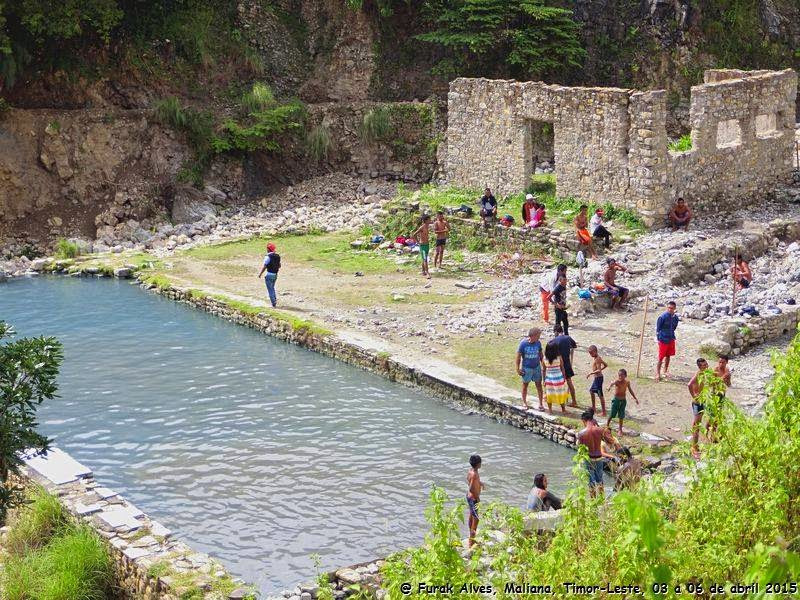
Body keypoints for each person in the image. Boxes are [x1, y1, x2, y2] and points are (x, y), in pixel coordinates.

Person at [578, 409, 620, 497]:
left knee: (591, 482)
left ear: (583, 420)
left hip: (589, 460)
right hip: (599, 459)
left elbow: (581, 450)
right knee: (600, 481)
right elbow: (611, 441)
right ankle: (601, 499)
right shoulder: (600, 430)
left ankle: (594, 502)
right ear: (592, 419)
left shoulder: (581, 433)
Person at [516, 327, 544, 410]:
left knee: (539, 385)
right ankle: (524, 402)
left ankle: (541, 404)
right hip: (526, 368)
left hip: (536, 367)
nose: (539, 337)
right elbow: (518, 357)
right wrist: (517, 368)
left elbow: (541, 355)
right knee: (525, 385)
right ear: (534, 336)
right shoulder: (523, 344)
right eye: (538, 335)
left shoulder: (538, 343)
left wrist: (543, 365)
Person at [688, 358, 711, 458]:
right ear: (700, 367)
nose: (706, 366)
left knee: (699, 423)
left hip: (703, 401)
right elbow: (689, 384)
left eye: (706, 364)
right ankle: (694, 448)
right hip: (697, 403)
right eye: (704, 366)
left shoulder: (706, 374)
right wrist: (694, 396)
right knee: (696, 426)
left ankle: (697, 445)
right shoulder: (698, 374)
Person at [606, 368, 639, 435]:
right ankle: (607, 426)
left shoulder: (627, 382)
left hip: (623, 401)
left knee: (621, 416)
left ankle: (620, 430)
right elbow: (612, 383)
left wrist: (635, 398)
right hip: (616, 400)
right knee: (612, 414)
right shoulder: (617, 381)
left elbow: (630, 390)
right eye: (619, 375)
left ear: (625, 376)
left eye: (622, 375)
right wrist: (609, 387)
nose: (620, 377)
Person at [552, 325, 578, 407]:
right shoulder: (568, 338)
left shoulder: (555, 340)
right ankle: (574, 401)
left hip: (559, 364)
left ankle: (559, 399)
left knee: (557, 382)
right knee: (569, 382)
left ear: (556, 332)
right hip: (567, 363)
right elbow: (574, 346)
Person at [655, 301, 679, 381]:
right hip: (663, 339)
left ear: (674, 309)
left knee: (668, 355)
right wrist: (659, 339)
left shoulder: (675, 318)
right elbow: (658, 329)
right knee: (661, 357)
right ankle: (658, 373)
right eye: (668, 308)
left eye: (671, 308)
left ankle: (665, 370)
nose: (669, 309)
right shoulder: (662, 317)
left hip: (671, 338)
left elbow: (674, 327)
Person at [543, 340, 569, 413]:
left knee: (549, 394)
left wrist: (544, 380)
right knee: (560, 394)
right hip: (558, 378)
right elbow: (562, 367)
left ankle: (550, 410)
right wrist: (564, 377)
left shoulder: (544, 358)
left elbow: (544, 370)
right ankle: (563, 409)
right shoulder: (559, 357)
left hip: (549, 379)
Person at [466, 454, 484, 548]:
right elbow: (471, 487)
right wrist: (477, 497)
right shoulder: (474, 474)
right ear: (478, 464)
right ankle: (471, 542)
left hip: (469, 497)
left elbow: (468, 480)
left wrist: (480, 483)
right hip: (473, 498)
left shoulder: (471, 471)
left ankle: (471, 536)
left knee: (472, 515)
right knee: (476, 519)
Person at [257, 242, 281, 308]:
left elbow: (265, 266)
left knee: (270, 289)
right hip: (275, 275)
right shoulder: (278, 256)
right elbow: (279, 265)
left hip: (269, 275)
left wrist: (260, 274)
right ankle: (275, 300)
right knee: (272, 288)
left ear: (268, 249)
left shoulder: (267, 256)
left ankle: (274, 303)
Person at [586, 345, 608, 416]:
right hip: (597, 378)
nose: (590, 355)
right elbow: (606, 365)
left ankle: (604, 412)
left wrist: (591, 373)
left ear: (595, 352)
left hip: (598, 379)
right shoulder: (597, 358)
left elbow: (598, 370)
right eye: (589, 353)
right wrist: (600, 370)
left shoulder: (597, 359)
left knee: (600, 395)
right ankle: (593, 407)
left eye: (591, 353)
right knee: (591, 391)